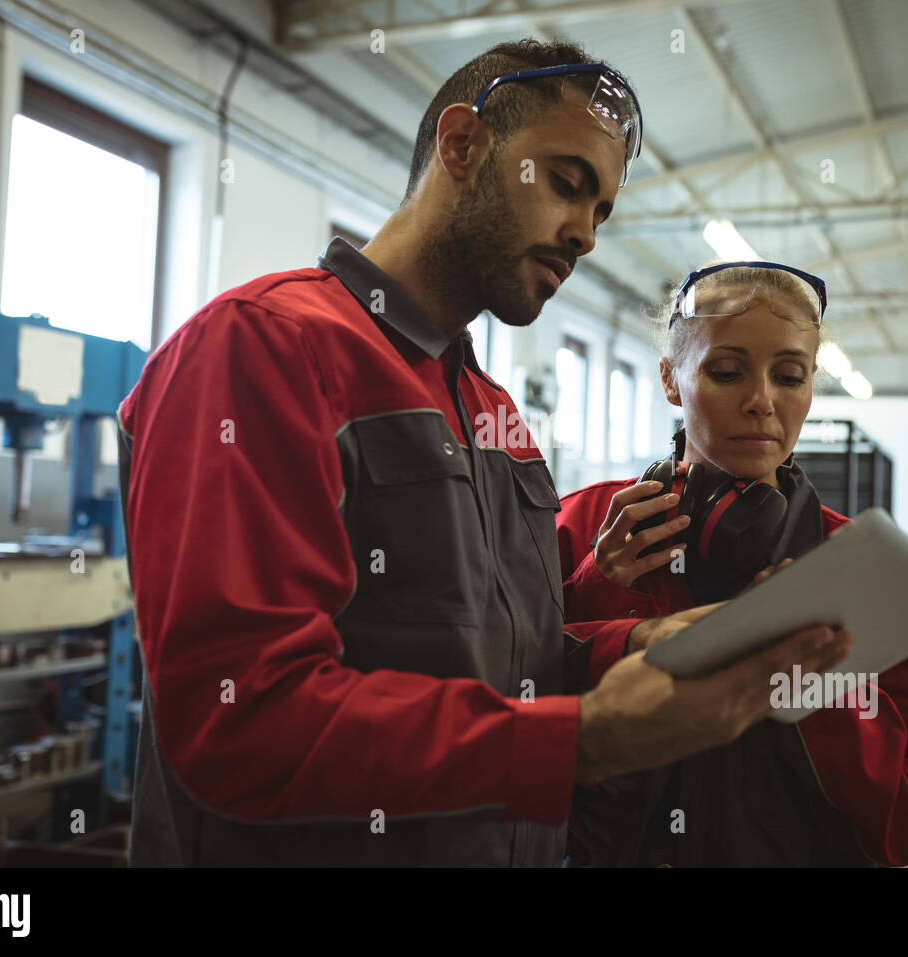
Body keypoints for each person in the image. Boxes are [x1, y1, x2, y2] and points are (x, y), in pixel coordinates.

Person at [116, 41, 852, 866]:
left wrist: (633, 646)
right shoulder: (265, 349)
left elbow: (509, 661)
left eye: (601, 211)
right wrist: (585, 740)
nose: (584, 235)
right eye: (567, 185)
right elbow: (241, 717)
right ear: (462, 145)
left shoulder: (492, 409)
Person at [555, 260, 908, 867]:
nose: (761, 402)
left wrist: (817, 679)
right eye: (726, 372)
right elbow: (496, 699)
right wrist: (595, 587)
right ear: (671, 380)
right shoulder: (586, 525)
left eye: (790, 376)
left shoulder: (862, 566)